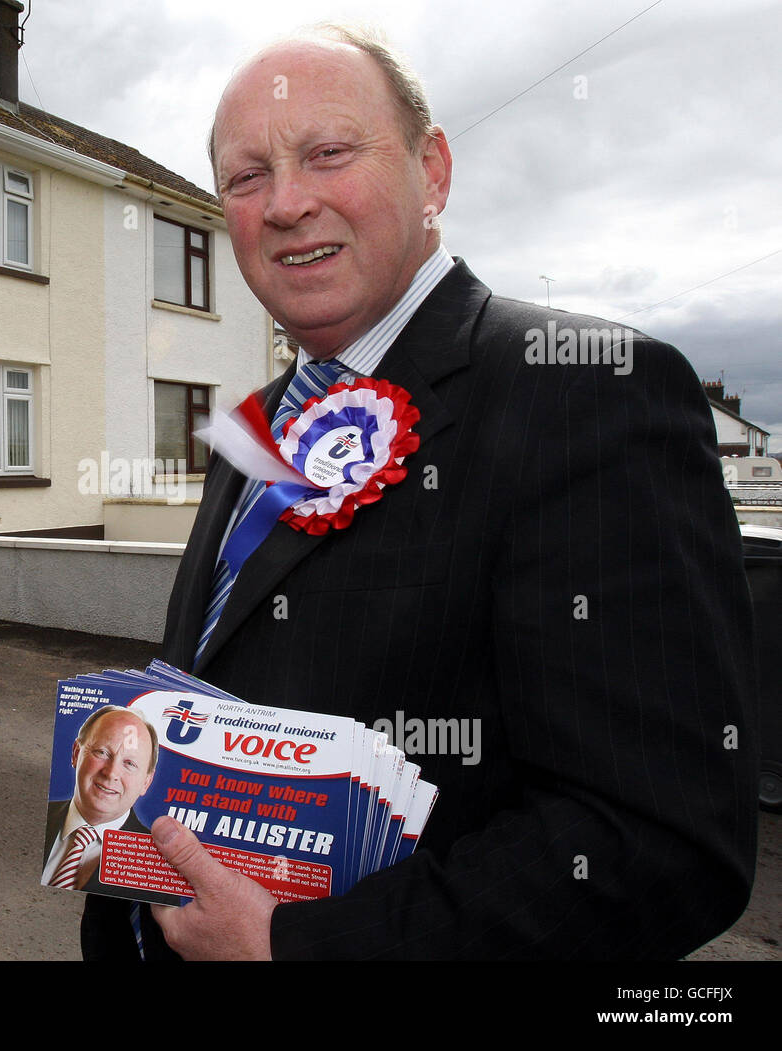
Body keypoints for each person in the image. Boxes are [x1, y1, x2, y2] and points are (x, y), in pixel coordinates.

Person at [80, 24, 758, 960]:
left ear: (431, 172)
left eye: (327, 154)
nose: (285, 204)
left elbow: (661, 843)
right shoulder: (252, 430)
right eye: (245, 178)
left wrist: (303, 946)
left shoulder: (589, 393)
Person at [43, 706, 178, 905]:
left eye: (130, 764)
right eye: (102, 752)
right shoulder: (38, 816)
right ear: (75, 753)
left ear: (146, 783)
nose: (111, 773)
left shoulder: (158, 870)